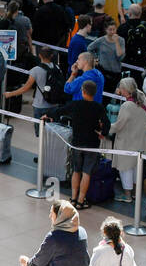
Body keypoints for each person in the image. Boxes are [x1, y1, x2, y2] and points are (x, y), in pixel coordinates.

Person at [45, 79, 111, 209]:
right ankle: (81, 201)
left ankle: (73, 199)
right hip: (92, 144)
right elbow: (106, 124)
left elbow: (60, 110)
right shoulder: (98, 108)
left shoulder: (76, 104)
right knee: (87, 172)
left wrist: (46, 114)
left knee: (76, 170)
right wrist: (103, 132)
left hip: (77, 143)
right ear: (94, 93)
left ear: (83, 91)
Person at [109, 78, 146, 203]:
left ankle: (127, 195)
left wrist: (106, 129)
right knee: (137, 167)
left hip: (127, 140)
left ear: (125, 89)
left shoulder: (127, 105)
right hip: (140, 138)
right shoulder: (142, 97)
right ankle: (136, 193)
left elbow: (119, 124)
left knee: (125, 167)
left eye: (121, 88)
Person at [92, 20, 125, 95]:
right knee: (100, 93)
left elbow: (120, 56)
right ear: (106, 30)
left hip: (115, 73)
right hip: (103, 71)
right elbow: (90, 48)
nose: (112, 32)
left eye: (114, 29)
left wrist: (116, 42)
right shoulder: (101, 40)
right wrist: (95, 58)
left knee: (110, 95)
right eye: (110, 29)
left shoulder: (121, 40)